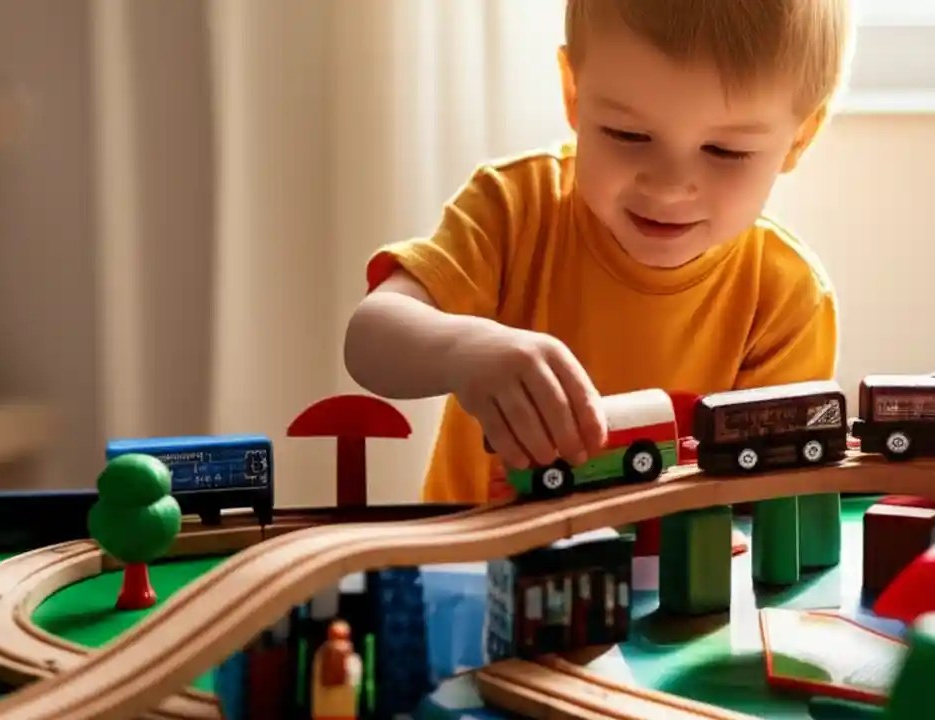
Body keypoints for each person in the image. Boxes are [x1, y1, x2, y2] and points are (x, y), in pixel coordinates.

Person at [345, 0, 850, 504]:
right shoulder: (513, 209)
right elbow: (371, 335)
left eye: (725, 151)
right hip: (470, 567)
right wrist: (460, 350)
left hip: (679, 579)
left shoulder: (786, 296)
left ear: (797, 140)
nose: (671, 187)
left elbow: (769, 502)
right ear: (573, 94)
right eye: (628, 135)